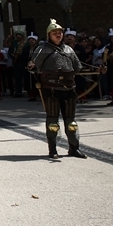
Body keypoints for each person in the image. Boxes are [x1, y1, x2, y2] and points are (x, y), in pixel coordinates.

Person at [28, 19, 87, 158]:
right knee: (53, 122)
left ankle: (74, 148)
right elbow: (33, 67)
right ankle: (53, 150)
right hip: (52, 89)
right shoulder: (42, 49)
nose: (58, 35)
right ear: (49, 34)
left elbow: (78, 68)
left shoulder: (68, 49)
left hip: (69, 89)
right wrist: (32, 67)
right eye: (55, 32)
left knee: (71, 122)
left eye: (60, 32)